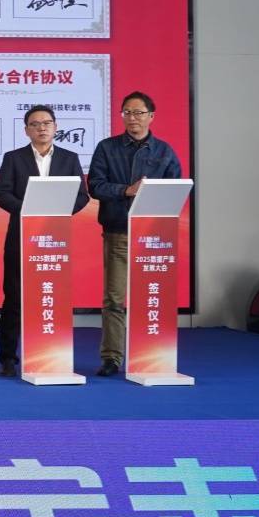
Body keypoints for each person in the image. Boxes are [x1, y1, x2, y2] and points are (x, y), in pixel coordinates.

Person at [87, 90, 183, 377]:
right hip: (118, 231)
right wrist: (126, 190)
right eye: (127, 112)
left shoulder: (164, 151)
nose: (133, 118)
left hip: (153, 237)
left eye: (139, 113)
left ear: (151, 116)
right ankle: (111, 358)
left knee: (151, 297)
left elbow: (176, 190)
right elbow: (95, 186)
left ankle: (151, 354)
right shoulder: (107, 148)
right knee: (114, 299)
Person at [0, 105, 89, 377]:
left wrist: (59, 211)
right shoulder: (13, 158)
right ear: (26, 130)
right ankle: (7, 358)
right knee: (14, 297)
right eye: (35, 124)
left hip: (55, 239)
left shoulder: (69, 158)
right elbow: (2, 194)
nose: (41, 128)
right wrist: (29, 211)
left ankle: (50, 353)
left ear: (55, 127)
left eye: (46, 123)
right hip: (21, 236)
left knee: (52, 295)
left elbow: (82, 196)